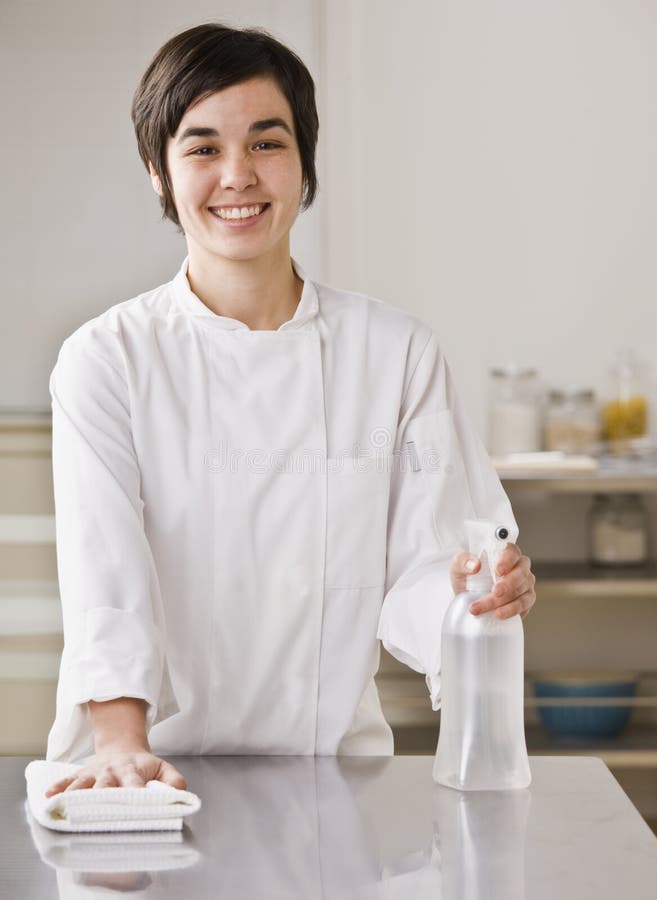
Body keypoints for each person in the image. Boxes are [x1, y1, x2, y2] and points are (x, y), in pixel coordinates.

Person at [44, 22, 536, 798]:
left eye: (266, 143)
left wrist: (474, 596)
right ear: (157, 171)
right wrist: (120, 745)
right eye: (202, 148)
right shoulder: (107, 360)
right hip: (151, 775)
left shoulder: (393, 352)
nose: (237, 175)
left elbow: (426, 564)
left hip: (330, 779)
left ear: (304, 161)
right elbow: (106, 574)